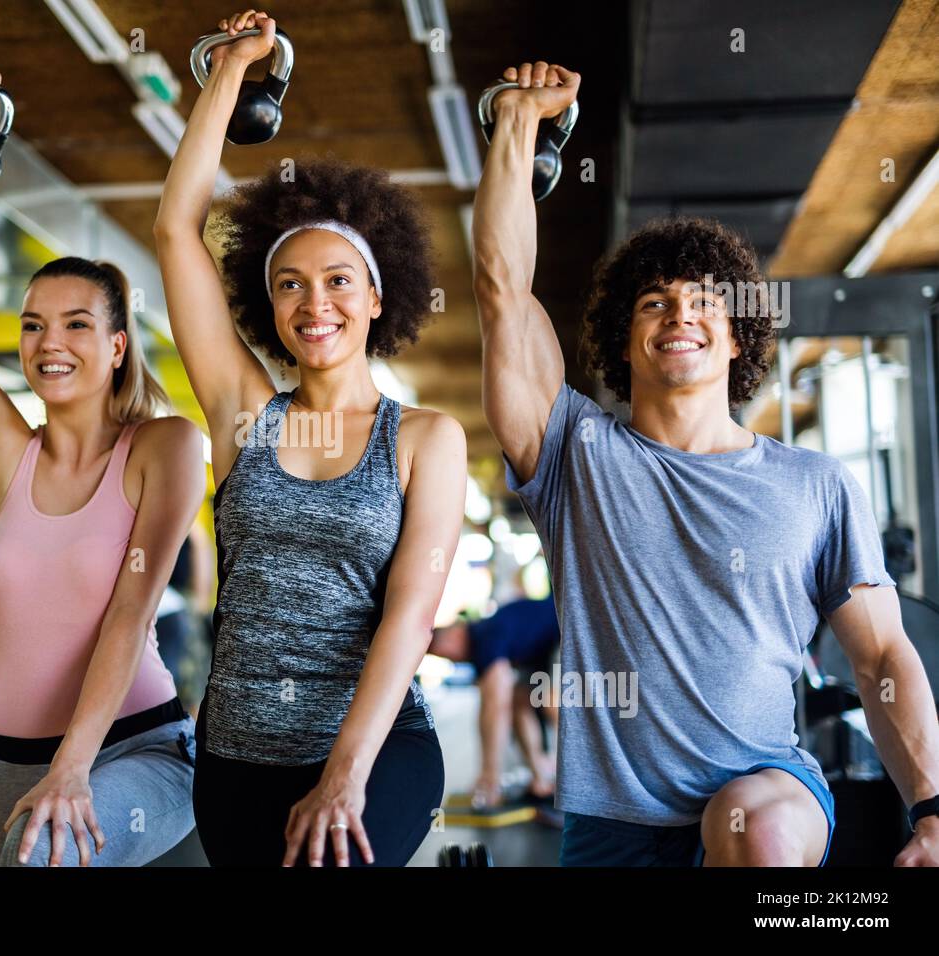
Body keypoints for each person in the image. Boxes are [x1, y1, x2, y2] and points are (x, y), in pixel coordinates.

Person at [474, 59, 939, 866]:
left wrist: (932, 810)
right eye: (654, 302)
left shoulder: (815, 484)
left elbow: (882, 656)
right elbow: (502, 292)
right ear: (625, 337)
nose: (680, 312)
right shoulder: (575, 455)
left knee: (748, 827)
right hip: (612, 823)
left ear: (737, 337)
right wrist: (518, 122)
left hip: (767, 791)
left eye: (703, 300)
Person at [153, 10, 466, 867]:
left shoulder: (424, 439)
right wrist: (229, 73)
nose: (312, 302)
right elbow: (177, 231)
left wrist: (344, 773)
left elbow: (410, 618)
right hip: (235, 752)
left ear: (375, 295)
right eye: (289, 284)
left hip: (375, 751)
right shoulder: (244, 414)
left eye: (337, 280)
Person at [0, 65, 206, 867]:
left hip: (130, 751)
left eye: (75, 324)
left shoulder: (165, 446)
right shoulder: (3, 454)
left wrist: (73, 767)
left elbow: (132, 612)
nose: (49, 343)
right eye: (34, 326)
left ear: (114, 347)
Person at [429, 583, 560, 808]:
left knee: (552, 702)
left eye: (447, 652)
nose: (453, 658)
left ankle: (583, 779)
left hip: (567, 629)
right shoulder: (489, 636)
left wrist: (489, 776)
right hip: (545, 645)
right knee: (521, 701)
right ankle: (541, 777)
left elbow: (494, 707)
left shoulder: (484, 637)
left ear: (455, 634)